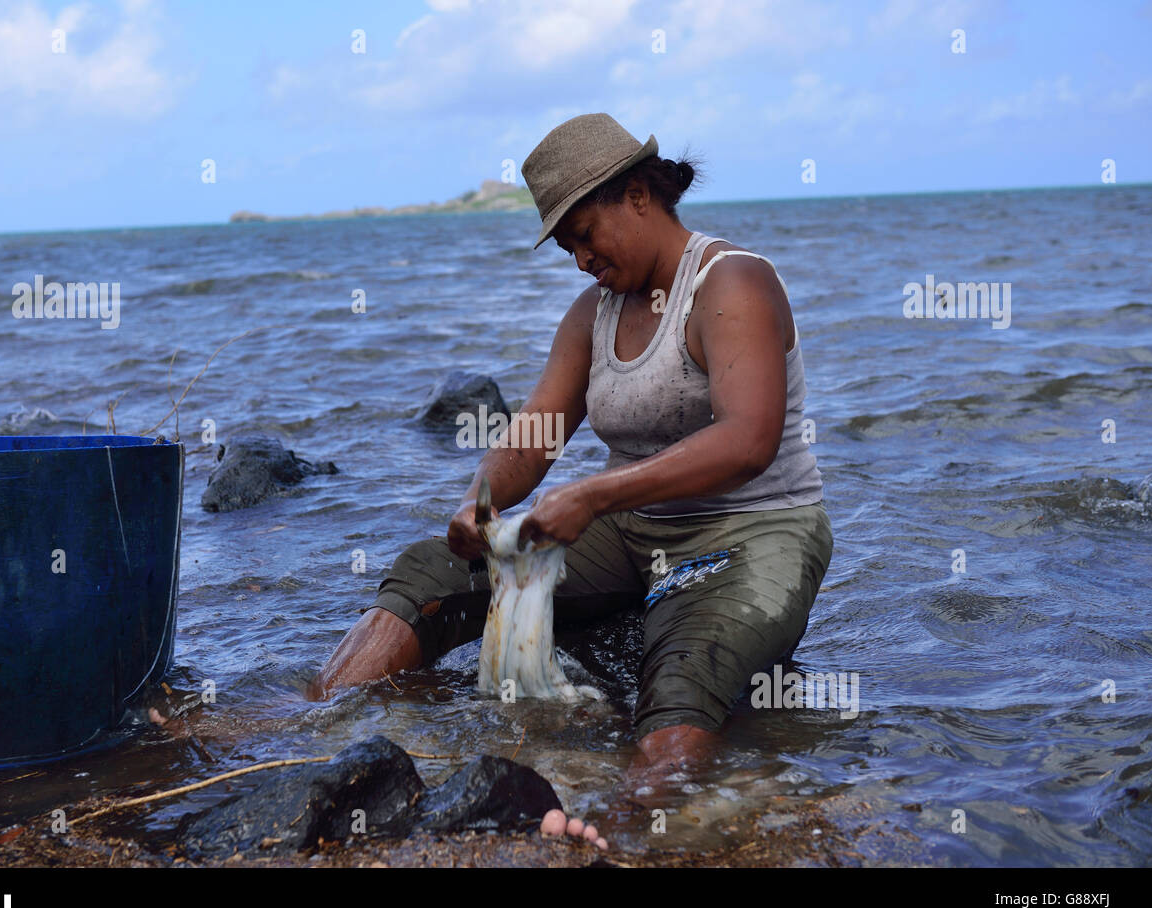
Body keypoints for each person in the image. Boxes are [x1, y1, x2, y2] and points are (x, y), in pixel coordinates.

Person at [309, 113, 833, 850]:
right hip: (634, 530)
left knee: (683, 678)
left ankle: (615, 833)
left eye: (588, 233)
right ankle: (309, 731)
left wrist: (595, 495)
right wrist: (478, 500)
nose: (581, 259)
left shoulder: (731, 281)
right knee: (434, 568)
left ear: (641, 196)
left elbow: (748, 441)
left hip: (753, 534)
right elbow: (534, 438)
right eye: (567, 246)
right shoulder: (593, 314)